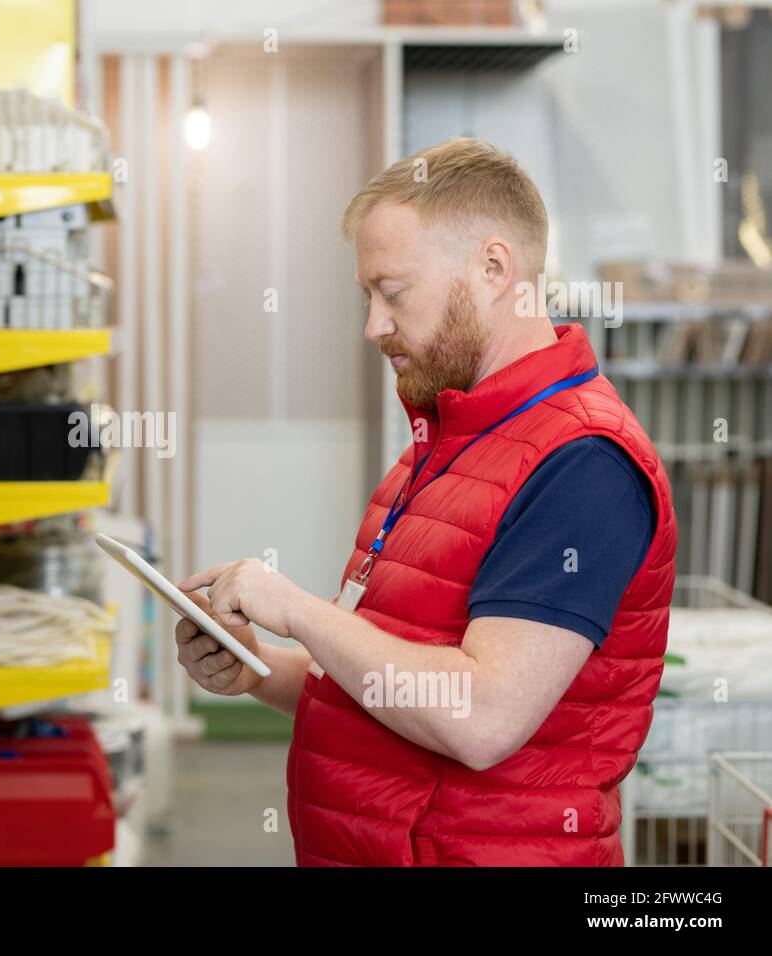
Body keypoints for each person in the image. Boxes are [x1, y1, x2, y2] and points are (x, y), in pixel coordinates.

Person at [176, 138, 677, 867]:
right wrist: (257, 666)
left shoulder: (583, 465)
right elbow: (386, 686)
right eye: (367, 297)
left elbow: (480, 715)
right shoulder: (445, 443)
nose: (374, 325)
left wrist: (294, 609)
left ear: (494, 269)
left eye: (394, 292)